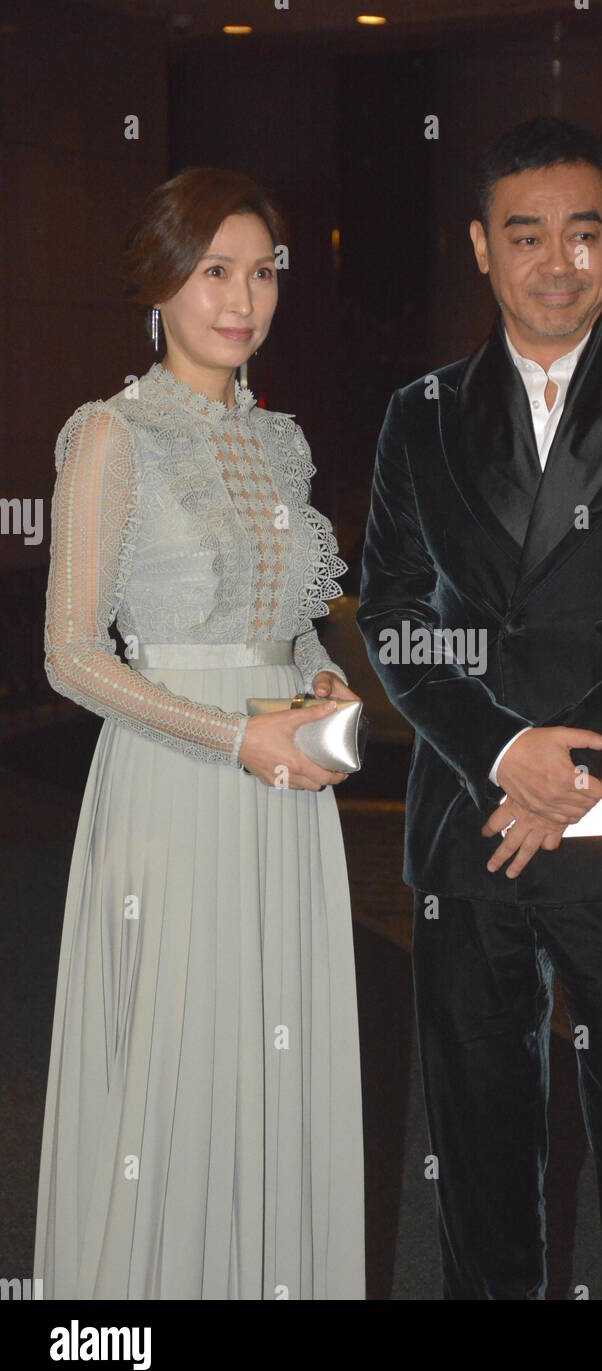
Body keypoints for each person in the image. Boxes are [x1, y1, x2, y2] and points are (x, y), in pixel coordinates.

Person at [356, 117, 602, 1299]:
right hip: (474, 829)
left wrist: (572, 768)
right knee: (478, 1155)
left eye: (583, 232)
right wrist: (507, 753)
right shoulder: (421, 413)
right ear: (481, 246)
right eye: (525, 235)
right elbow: (393, 615)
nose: (557, 261)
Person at [34, 167, 365, 1299]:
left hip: (284, 800)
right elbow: (72, 655)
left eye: (262, 271)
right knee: (175, 1080)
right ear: (161, 283)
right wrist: (235, 742)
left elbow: (291, 631)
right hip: (175, 799)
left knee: (272, 1072)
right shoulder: (112, 436)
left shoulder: (278, 442)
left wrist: (323, 694)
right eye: (215, 270)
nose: (243, 297)